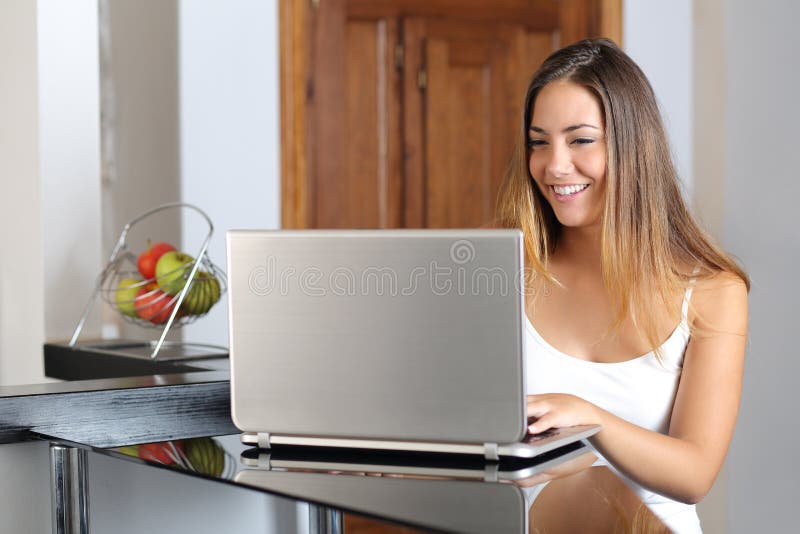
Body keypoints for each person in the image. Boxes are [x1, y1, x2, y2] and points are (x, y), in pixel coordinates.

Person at [495, 38, 749, 533]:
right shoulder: (500, 264)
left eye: (581, 139)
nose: (555, 165)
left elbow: (695, 474)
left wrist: (588, 418)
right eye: (539, 141)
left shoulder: (714, 292)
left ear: (632, 144)